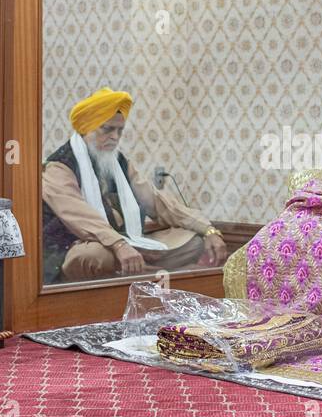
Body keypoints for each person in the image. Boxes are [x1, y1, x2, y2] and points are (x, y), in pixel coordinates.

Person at [41, 87, 226, 282]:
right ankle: (148, 275)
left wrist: (208, 229)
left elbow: (156, 201)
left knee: (193, 242)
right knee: (94, 257)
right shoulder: (59, 166)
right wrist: (119, 245)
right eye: (107, 129)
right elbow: (79, 217)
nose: (115, 137)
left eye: (119, 130)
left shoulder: (118, 163)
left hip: (123, 241)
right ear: (87, 127)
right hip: (74, 245)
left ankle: (140, 271)